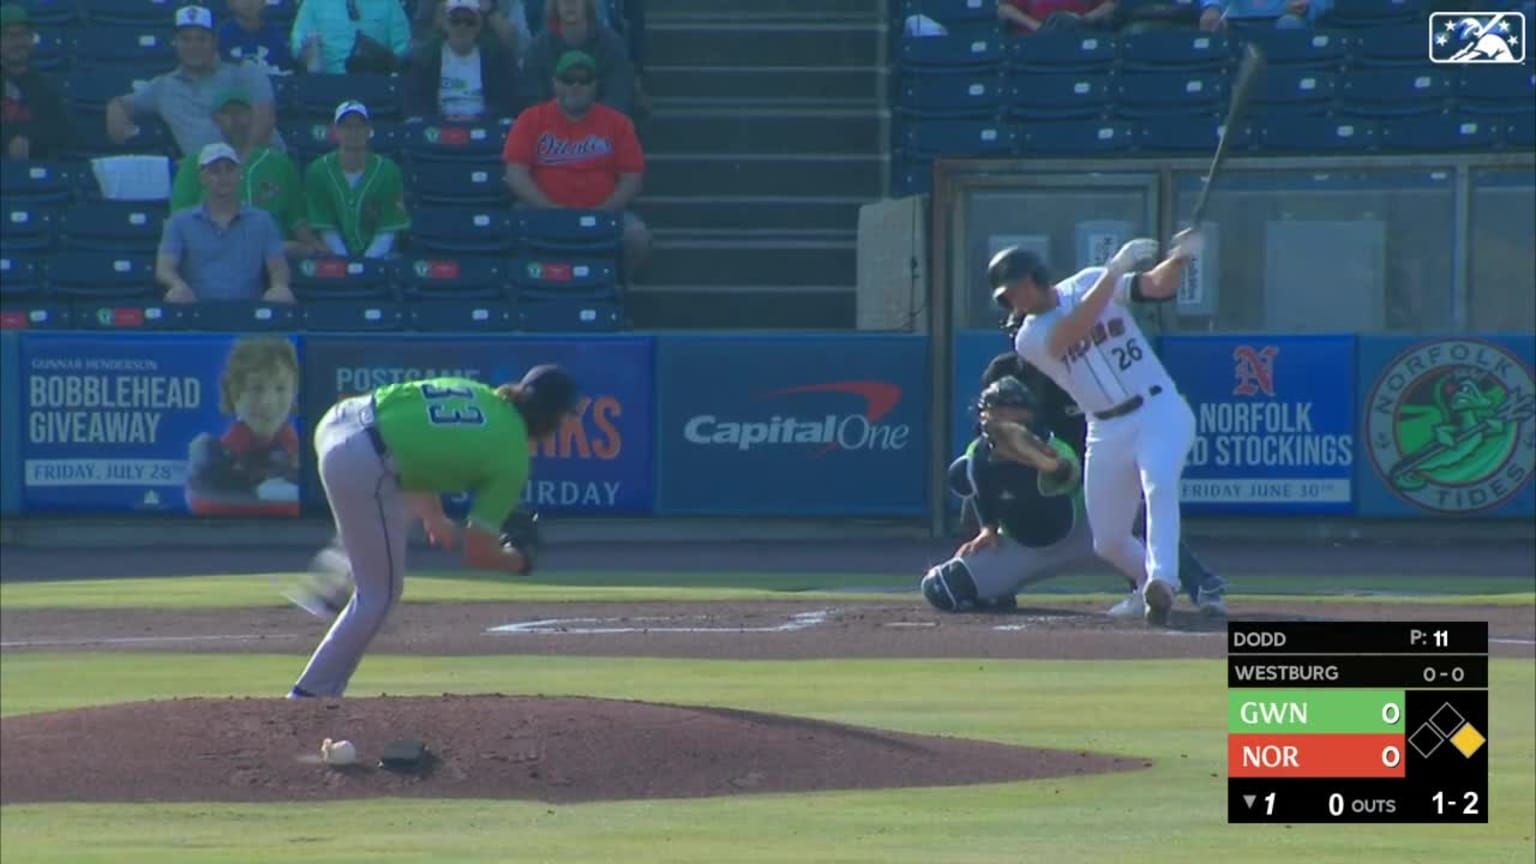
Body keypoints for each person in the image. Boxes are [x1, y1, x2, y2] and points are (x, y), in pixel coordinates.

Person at [287, 366, 580, 698]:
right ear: (550, 416)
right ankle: (308, 694)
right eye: (566, 416)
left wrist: (433, 515)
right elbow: (477, 551)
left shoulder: (479, 393)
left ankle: (336, 583)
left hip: (340, 420)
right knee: (379, 596)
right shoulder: (512, 456)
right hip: (362, 459)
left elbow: (411, 445)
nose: (567, 424)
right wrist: (520, 561)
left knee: (385, 505)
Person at [992, 233, 1202, 627]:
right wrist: (1114, 270)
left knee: (1158, 483)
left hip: (1159, 408)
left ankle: (1163, 579)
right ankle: (1147, 589)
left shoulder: (1089, 281)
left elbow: (1156, 286)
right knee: (1107, 540)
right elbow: (1069, 332)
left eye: (1016, 289)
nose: (1014, 300)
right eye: (1007, 297)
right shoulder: (1028, 338)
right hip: (1105, 428)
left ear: (1036, 276)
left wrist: (1179, 258)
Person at [978, 350, 1228, 617]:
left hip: (1085, 460)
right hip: (1031, 472)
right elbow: (984, 441)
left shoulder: (1077, 367)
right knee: (1107, 540)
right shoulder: (1004, 369)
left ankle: (1194, 586)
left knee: (1135, 515)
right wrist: (987, 525)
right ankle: (996, 581)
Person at [924, 377, 1115, 615]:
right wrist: (988, 529)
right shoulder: (977, 454)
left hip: (1086, 536)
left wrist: (1039, 459)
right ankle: (997, 593)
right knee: (943, 588)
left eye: (1014, 412)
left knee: (1143, 541)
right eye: (997, 413)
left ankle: (1147, 589)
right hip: (1023, 548)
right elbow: (979, 490)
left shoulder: (1054, 447)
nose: (1005, 420)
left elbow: (1068, 476)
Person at [502, 50, 649, 278]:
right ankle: (523, 298)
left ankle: (615, 294)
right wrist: (550, 210)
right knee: (505, 230)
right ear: (555, 83)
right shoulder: (531, 119)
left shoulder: (618, 123)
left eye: (584, 80)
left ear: (595, 85)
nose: (576, 86)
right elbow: (515, 174)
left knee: (637, 237)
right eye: (568, 80)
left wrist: (603, 212)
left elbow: (632, 178)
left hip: (605, 213)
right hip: (540, 212)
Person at [107, 6, 282, 159]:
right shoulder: (164, 87)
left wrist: (242, 165)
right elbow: (122, 103)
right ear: (175, 43)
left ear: (214, 41)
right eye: (186, 39)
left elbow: (264, 118)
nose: (194, 46)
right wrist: (114, 111)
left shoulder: (244, 71)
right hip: (207, 177)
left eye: (201, 39)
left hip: (262, 164)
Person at [169, 91, 326, 258]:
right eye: (226, 113)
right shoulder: (195, 162)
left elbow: (297, 221)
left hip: (274, 258)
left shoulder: (278, 163)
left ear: (252, 115)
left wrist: (314, 247)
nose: (234, 119)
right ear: (216, 119)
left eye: (240, 112)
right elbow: (181, 222)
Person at [156, 142, 295, 304]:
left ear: (239, 174)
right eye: (215, 171)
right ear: (202, 177)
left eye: (229, 169)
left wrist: (279, 286)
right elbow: (164, 268)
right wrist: (177, 285)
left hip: (249, 310)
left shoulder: (262, 220)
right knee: (174, 297)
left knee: (283, 297)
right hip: (195, 307)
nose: (223, 177)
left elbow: (278, 266)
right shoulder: (180, 221)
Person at [185, 336, 302, 516]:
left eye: (280, 388)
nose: (268, 403)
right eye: (256, 388)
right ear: (234, 393)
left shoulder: (312, 455)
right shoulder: (210, 459)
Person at [305, 101, 411, 259]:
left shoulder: (388, 171)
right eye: (346, 126)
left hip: (379, 257)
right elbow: (325, 226)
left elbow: (388, 227)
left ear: (369, 130)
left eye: (359, 126)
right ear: (335, 131)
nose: (353, 132)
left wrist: (367, 263)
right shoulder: (318, 171)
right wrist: (344, 261)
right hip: (334, 258)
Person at [403, 0, 522, 122]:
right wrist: (443, 119)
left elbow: (506, 103)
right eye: (455, 21)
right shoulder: (426, 56)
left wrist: (477, 118)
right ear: (445, 24)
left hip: (484, 124)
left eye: (469, 22)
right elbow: (417, 102)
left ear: (478, 25)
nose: (462, 27)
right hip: (437, 126)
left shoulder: (497, 56)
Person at [522, 0, 634, 115]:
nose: (570, 3)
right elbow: (534, 103)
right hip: (550, 129)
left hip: (604, 129)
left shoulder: (612, 47)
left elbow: (617, 100)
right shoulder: (537, 50)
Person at [1, 3, 71, 160]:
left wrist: (28, 139)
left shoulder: (44, 85)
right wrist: (8, 140)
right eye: (8, 36)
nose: (17, 42)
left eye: (23, 35)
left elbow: (63, 131)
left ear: (32, 38)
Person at [290, 0, 411, 75]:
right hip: (326, 84)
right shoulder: (314, 2)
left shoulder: (389, 2)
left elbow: (403, 48)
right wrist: (308, 52)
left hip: (375, 83)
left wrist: (384, 58)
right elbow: (297, 44)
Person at [219, 0, 299, 76]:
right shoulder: (220, 36)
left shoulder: (275, 35)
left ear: (263, 2)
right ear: (231, 3)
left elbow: (287, 70)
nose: (249, 2)